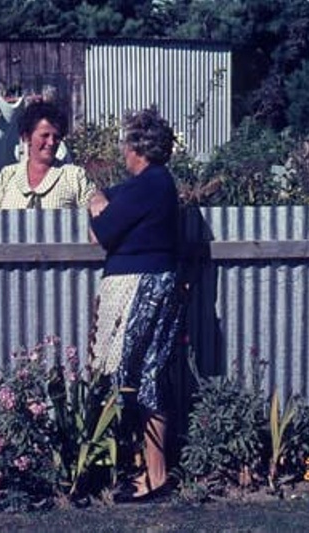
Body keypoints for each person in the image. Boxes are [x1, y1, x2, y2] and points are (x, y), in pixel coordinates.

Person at [88, 107, 182, 503]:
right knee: (148, 375)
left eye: (126, 144)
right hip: (154, 281)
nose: (123, 151)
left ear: (137, 148)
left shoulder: (151, 184)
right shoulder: (155, 184)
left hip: (141, 285)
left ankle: (151, 474)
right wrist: (104, 197)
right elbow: (115, 202)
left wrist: (96, 205)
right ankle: (152, 474)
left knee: (133, 376)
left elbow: (104, 231)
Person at [0, 100, 95, 209]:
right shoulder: (8, 175)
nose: (51, 142)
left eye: (56, 137)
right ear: (27, 137)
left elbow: (94, 206)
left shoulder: (74, 176)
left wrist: (97, 198)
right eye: (45, 135)